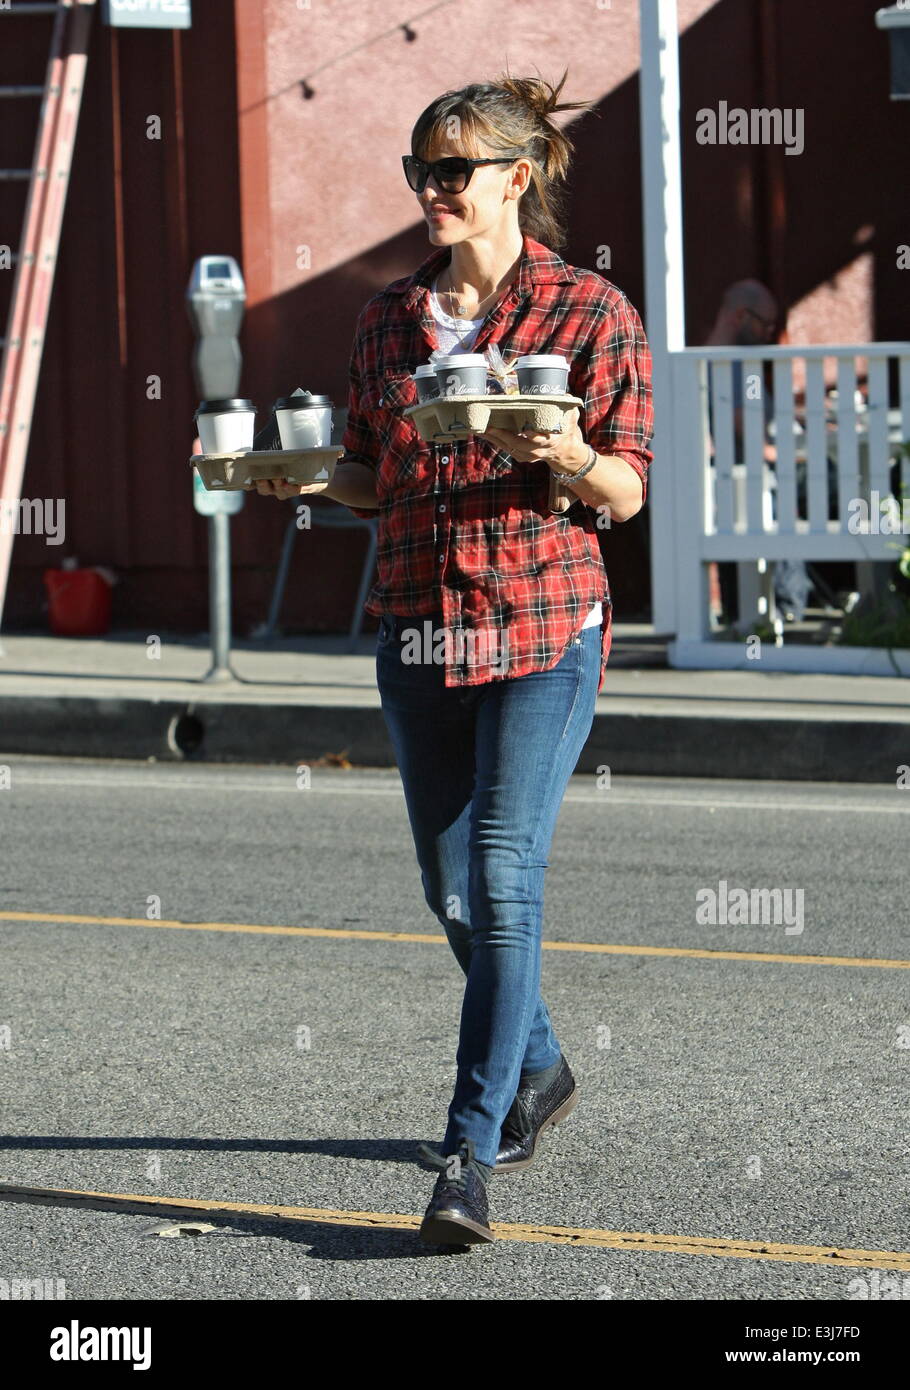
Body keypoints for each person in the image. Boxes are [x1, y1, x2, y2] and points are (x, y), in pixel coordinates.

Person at [255, 69, 653, 1249]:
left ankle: (466, 1149)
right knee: (446, 889)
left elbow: (623, 490)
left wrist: (565, 449)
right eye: (419, 170)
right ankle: (538, 1065)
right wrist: (312, 477)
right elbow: (375, 474)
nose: (429, 190)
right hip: (421, 626)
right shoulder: (387, 319)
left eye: (450, 171)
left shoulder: (589, 313)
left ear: (513, 180)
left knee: (501, 868)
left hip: (542, 629)